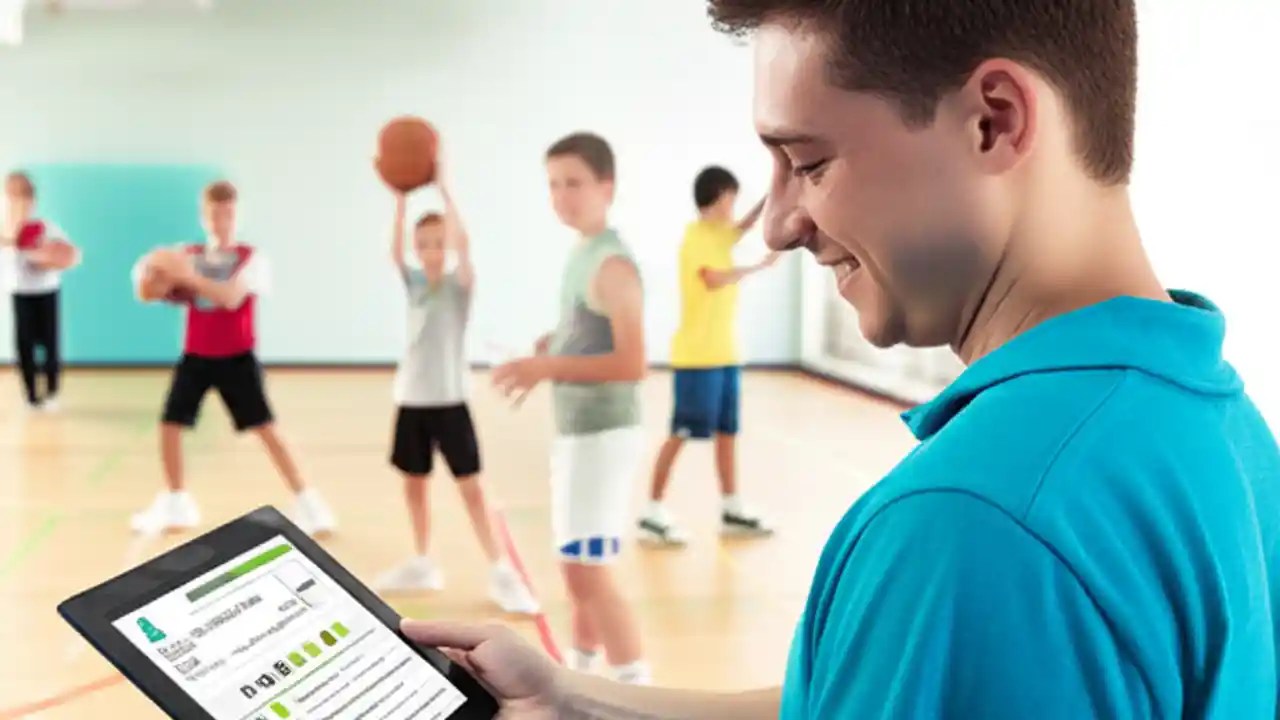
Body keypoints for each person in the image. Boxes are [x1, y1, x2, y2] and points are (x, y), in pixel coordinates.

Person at [402, 0, 1280, 717]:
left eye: (809, 162)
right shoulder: (1218, 424)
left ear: (994, 121)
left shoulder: (977, 524)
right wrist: (577, 702)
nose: (780, 224)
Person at [491, 132, 651, 684]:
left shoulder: (612, 265)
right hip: (579, 434)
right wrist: (552, 345)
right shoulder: (581, 253)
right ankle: (581, 674)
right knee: (576, 568)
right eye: (554, 185)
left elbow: (632, 362)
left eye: (574, 183)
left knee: (591, 573)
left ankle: (636, 691)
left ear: (607, 186)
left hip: (603, 437)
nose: (562, 196)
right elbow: (589, 333)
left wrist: (547, 367)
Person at [373, 153, 540, 615]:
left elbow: (465, 246)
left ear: (447, 245)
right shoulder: (413, 283)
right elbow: (393, 252)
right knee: (414, 484)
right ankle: (423, 562)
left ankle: (502, 572)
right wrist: (401, 200)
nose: (430, 249)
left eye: (438, 242)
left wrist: (444, 188)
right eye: (423, 243)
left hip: (450, 401)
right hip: (412, 399)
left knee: (472, 488)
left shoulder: (458, 285)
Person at [128, 180, 336, 537]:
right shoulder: (188, 255)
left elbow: (229, 297)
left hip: (236, 357)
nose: (221, 221)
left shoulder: (251, 259)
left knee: (266, 429)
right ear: (204, 216)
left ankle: (308, 502)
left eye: (227, 214)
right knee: (170, 425)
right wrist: (152, 271)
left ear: (236, 216)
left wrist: (187, 275)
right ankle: (177, 502)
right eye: (214, 214)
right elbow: (149, 292)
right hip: (196, 356)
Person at [638, 165, 777, 546]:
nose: (735, 206)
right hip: (697, 358)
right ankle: (652, 510)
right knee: (681, 433)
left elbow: (748, 224)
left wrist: (778, 188)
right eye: (731, 198)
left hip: (726, 354)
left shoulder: (721, 234)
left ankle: (731, 507)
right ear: (716, 199)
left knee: (727, 432)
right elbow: (712, 279)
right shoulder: (696, 237)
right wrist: (758, 267)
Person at [1, 171, 81, 412]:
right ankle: (31, 396)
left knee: (50, 344)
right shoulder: (5, 229)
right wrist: (13, 236)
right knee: (24, 346)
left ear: (33, 201)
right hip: (20, 293)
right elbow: (8, 242)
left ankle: (52, 392)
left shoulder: (46, 227)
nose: (19, 204)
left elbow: (71, 255)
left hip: (47, 292)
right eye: (13, 198)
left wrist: (47, 257)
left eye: (24, 198)